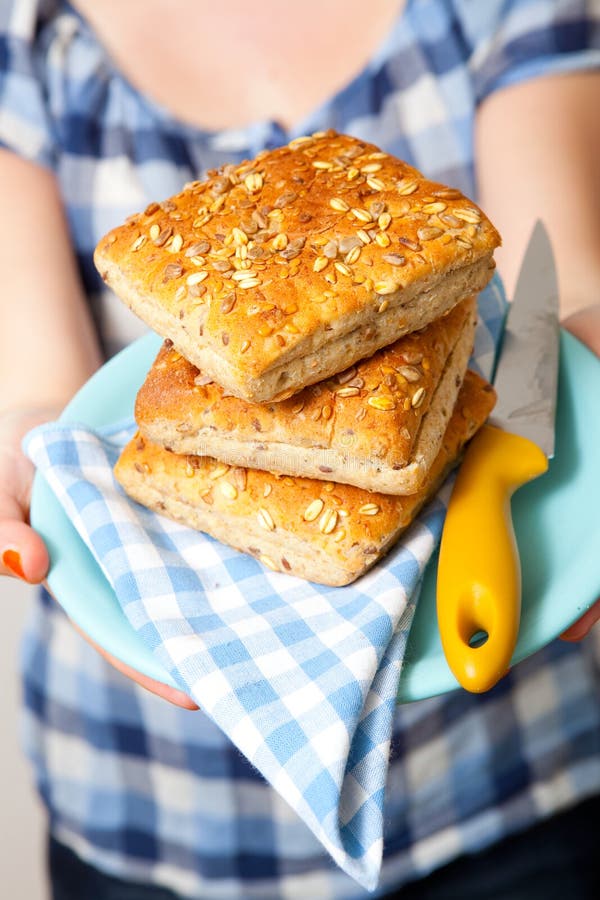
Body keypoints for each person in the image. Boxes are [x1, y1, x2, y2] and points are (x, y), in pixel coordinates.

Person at [1, 1, 599, 897]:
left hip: (512, 783)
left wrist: (591, 336)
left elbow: (563, 292)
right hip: (151, 807)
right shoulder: (27, 37)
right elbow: (41, 395)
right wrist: (31, 459)